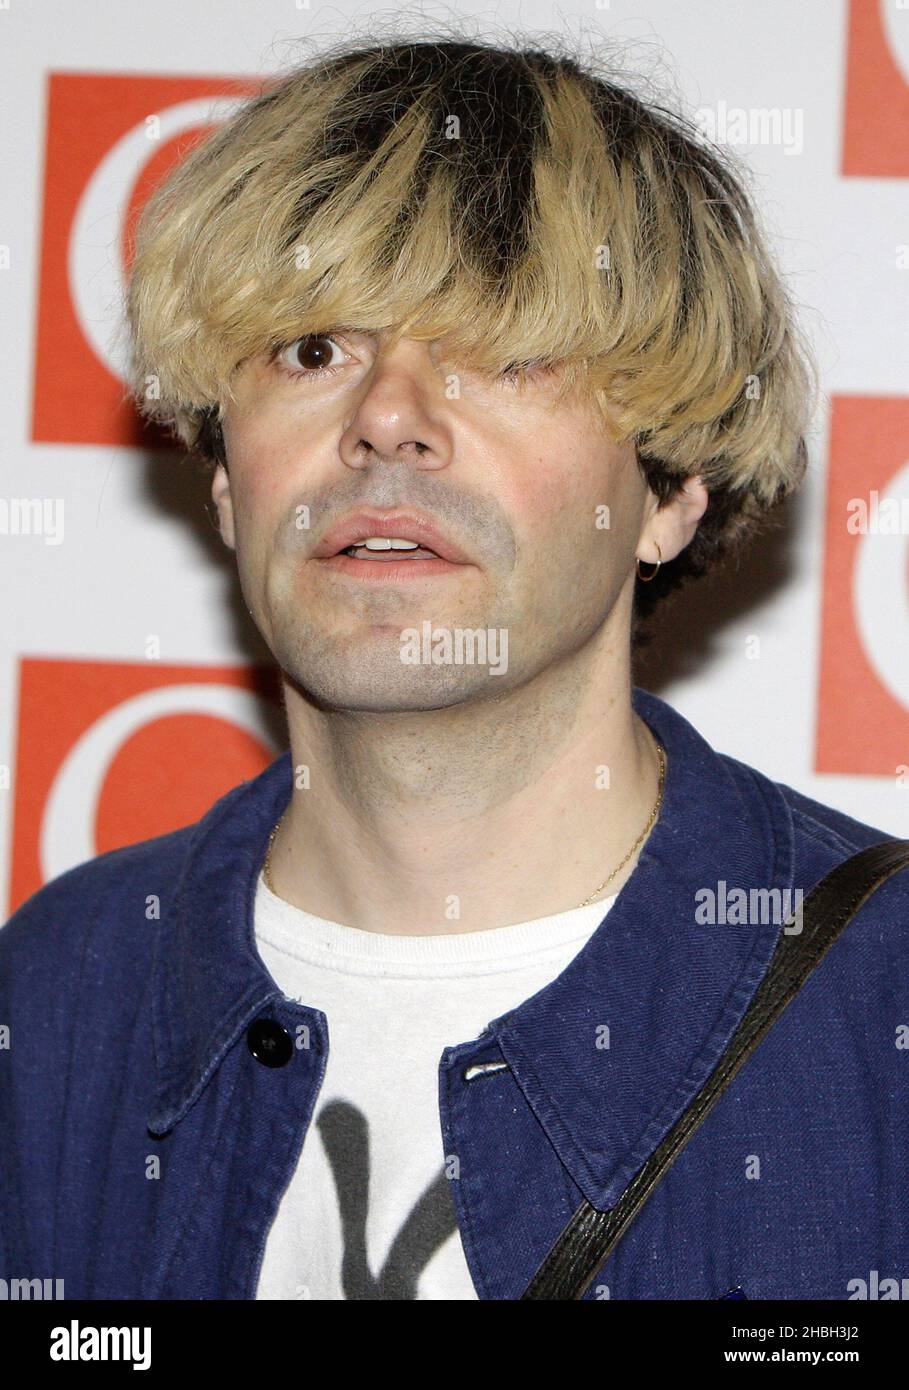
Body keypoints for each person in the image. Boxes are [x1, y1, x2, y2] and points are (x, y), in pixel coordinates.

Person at [2, 32, 906, 1302]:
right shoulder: (59, 996)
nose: (385, 415)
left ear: (671, 493)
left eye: (503, 353)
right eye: (314, 349)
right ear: (222, 476)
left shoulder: (884, 1012)